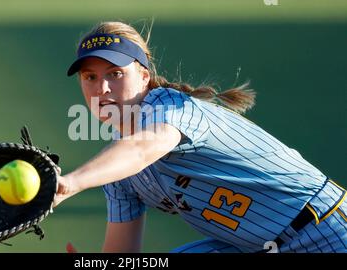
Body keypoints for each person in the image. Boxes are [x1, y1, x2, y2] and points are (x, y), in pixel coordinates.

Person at [53, 21, 347, 253]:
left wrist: (70, 184)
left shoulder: (173, 107)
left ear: (144, 75)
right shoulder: (117, 169)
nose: (101, 88)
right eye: (90, 77)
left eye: (115, 73)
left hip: (326, 230)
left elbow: (143, 149)